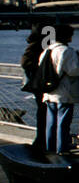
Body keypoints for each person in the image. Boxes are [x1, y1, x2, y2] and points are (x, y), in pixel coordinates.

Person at [39, 24, 79, 155]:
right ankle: (62, 149)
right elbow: (74, 71)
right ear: (66, 36)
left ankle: (50, 148)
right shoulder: (67, 51)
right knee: (63, 122)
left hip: (49, 91)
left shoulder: (46, 51)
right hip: (64, 92)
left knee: (51, 122)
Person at [18, 24, 47, 153]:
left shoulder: (37, 44)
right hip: (41, 84)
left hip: (39, 84)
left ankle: (42, 140)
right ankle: (42, 140)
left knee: (43, 112)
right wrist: (40, 70)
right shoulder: (37, 45)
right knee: (43, 112)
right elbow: (25, 62)